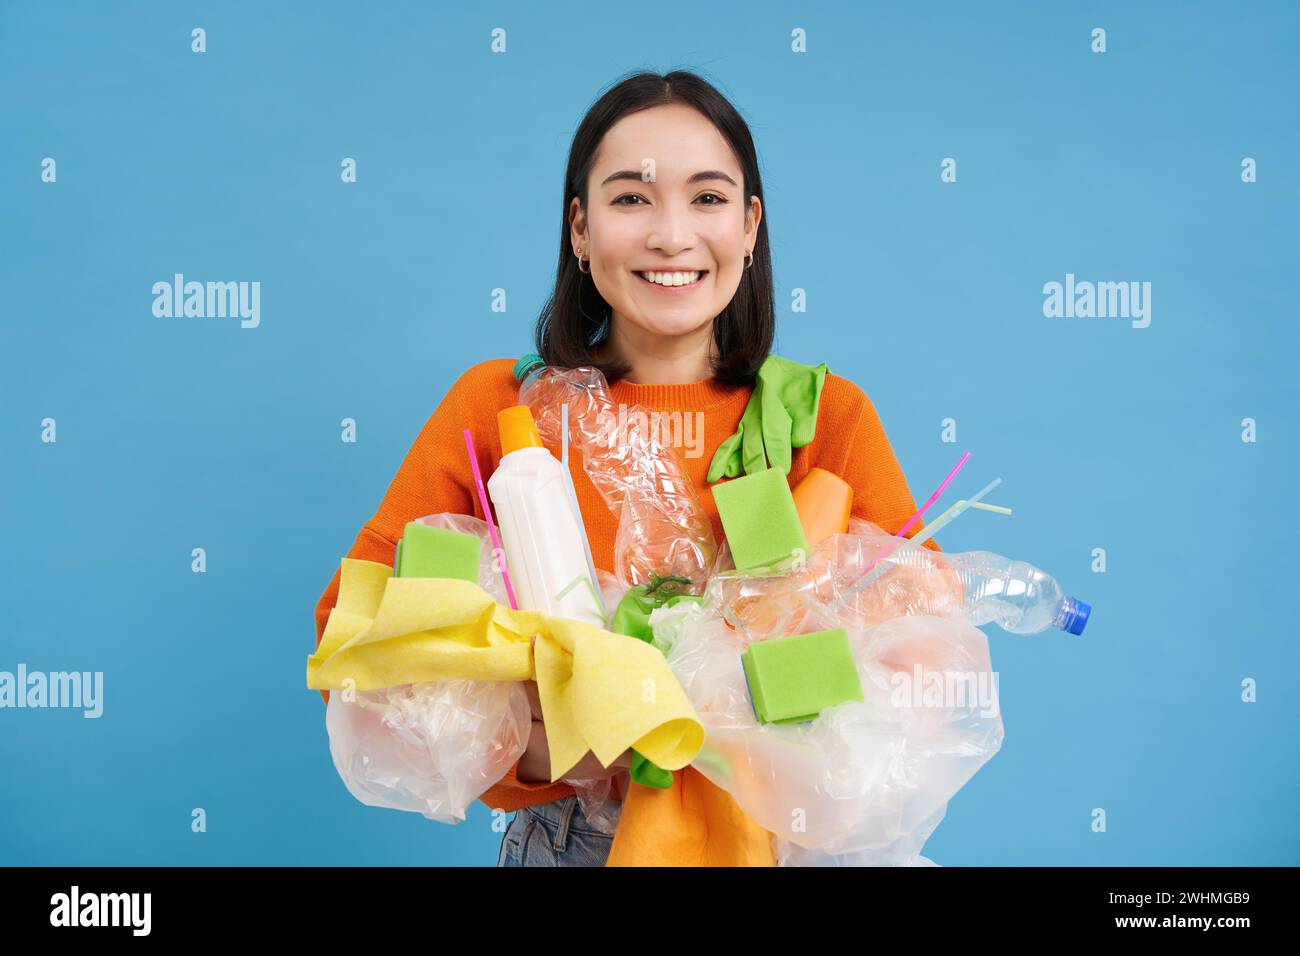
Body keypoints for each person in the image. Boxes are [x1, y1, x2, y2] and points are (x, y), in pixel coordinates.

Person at [313, 68, 942, 867]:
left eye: (708, 199)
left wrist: (768, 709)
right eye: (631, 198)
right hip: (575, 843)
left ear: (751, 227)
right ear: (580, 229)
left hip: (777, 841)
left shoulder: (825, 420)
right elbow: (354, 637)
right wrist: (553, 751)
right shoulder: (500, 414)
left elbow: (922, 664)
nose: (671, 236)